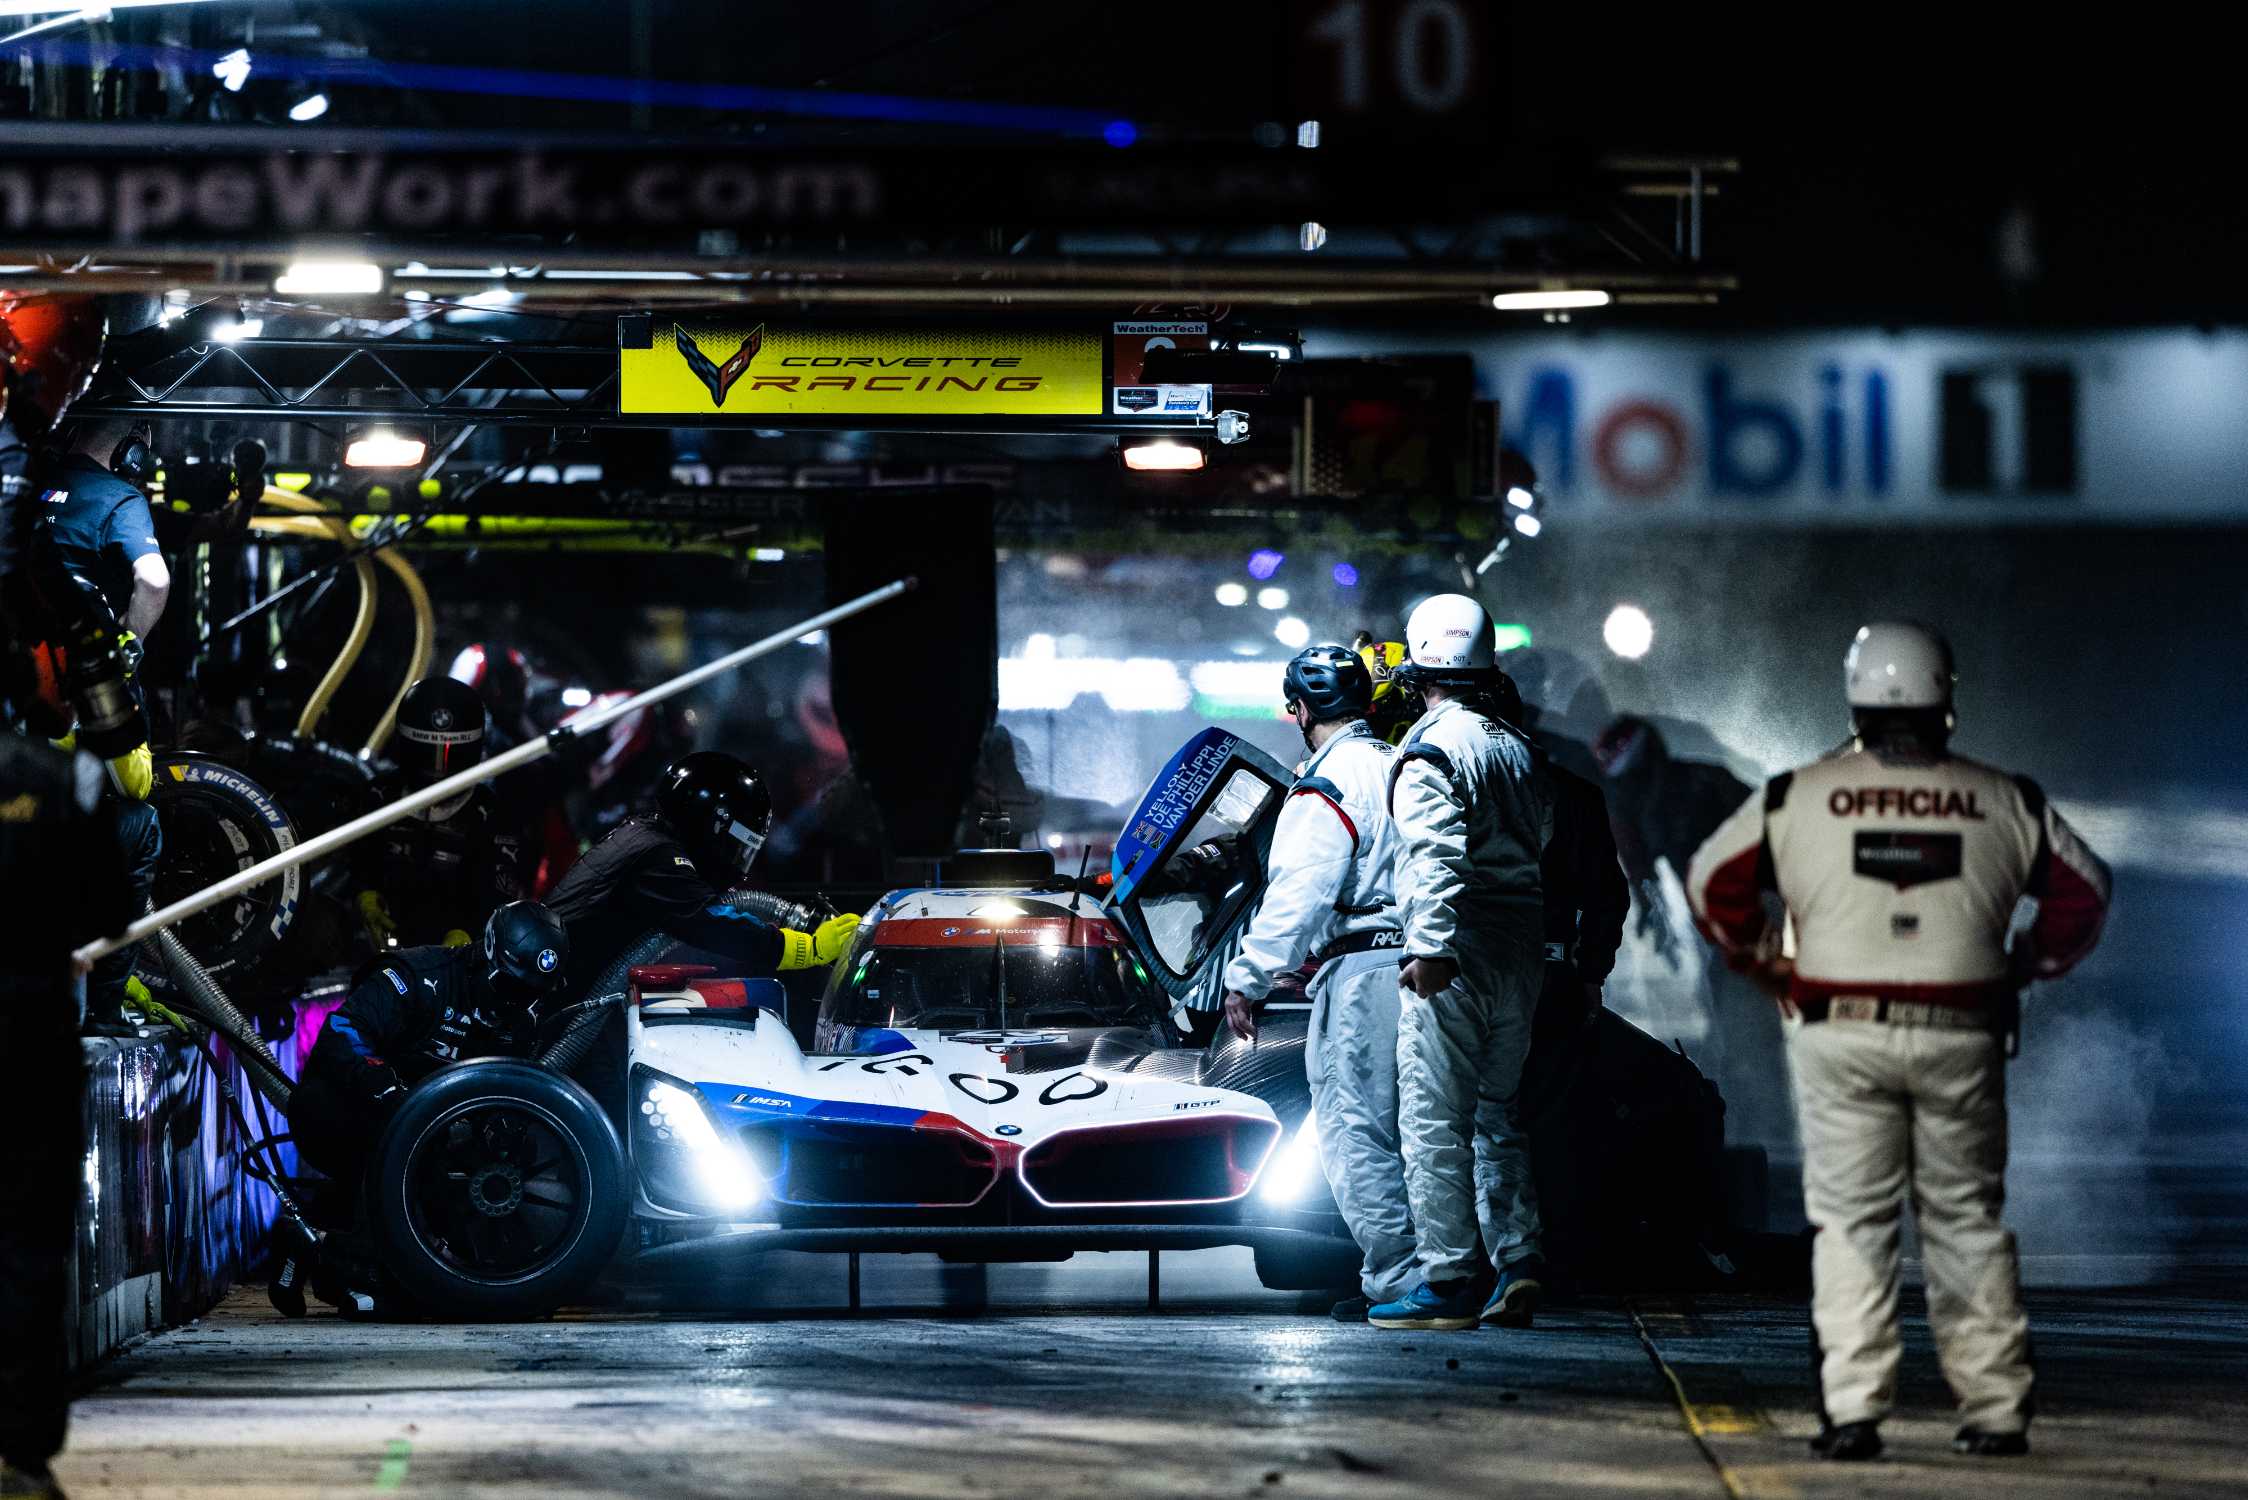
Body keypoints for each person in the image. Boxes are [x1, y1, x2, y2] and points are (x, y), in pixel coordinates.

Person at [1686, 623, 2110, 1462]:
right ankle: (1994, 1412)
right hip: (1965, 1034)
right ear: (1946, 701)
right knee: (1965, 1223)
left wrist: (1762, 963)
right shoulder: (2005, 798)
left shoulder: (1796, 796)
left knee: (1850, 1225)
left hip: (1839, 1035)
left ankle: (1853, 1413)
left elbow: (1713, 883)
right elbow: (2085, 894)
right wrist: (2030, 961)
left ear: (1856, 701)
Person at [1210, 643, 1411, 1319]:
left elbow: (1301, 893)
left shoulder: (1326, 785)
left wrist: (1248, 978)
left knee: (1358, 1133)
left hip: (1361, 975)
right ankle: (1453, 1273)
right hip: (1428, 967)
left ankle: (1401, 1280)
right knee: (1431, 1132)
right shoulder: (1404, 765)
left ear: (1299, 711)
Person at [1369, 593, 1551, 1333]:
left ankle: (1447, 1282)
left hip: (1458, 953)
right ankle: (1520, 1261)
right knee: (1499, 1116)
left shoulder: (1429, 749)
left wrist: (1431, 947)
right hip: (1521, 948)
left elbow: (1435, 857)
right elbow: (1544, 836)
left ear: (1418, 666)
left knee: (1433, 1118)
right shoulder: (1515, 746)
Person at [0, 737, 136, 1500]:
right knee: (27, 1239)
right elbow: (112, 904)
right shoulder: (65, 777)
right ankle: (20, 1455)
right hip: (28, 1031)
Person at [291, 902, 573, 1207]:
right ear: (487, 955)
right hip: (371, 1110)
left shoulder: (524, 1022)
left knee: (516, 1151)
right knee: (320, 1105)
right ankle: (349, 1209)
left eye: (530, 994)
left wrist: (500, 1128)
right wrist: (382, 1084)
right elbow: (343, 1027)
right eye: (510, 986)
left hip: (437, 1134)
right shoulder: (417, 977)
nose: (516, 1002)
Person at [544, 749, 860, 1000]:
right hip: (560, 1006)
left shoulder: (645, 835)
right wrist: (805, 948)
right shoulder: (659, 858)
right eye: (739, 847)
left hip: (565, 992)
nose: (738, 864)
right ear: (714, 827)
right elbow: (713, 922)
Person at [355, 676, 537, 951]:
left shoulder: (495, 815)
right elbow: (352, 856)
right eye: (426, 754)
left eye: (451, 754)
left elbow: (499, 889)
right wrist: (363, 892)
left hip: (454, 952)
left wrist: (467, 931)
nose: (438, 771)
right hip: (369, 940)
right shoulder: (378, 797)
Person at [35, 420, 169, 642]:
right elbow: (155, 581)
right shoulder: (122, 498)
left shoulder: (33, 475)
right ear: (132, 452)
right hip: (85, 650)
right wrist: (129, 644)